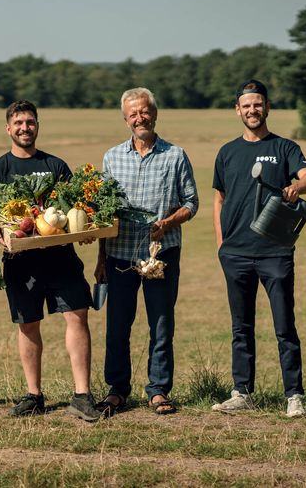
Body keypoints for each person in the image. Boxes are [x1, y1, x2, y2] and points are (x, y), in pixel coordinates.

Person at [0, 100, 102, 422]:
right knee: (28, 324)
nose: (24, 128)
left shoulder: (56, 165)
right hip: (21, 264)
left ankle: (82, 395)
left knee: (77, 316)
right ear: (8, 128)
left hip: (61, 258)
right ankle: (34, 395)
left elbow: (76, 209)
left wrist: (84, 228)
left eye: (30, 122)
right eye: (18, 123)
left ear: (37, 126)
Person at [211, 79, 306, 418]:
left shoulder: (284, 147)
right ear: (237, 110)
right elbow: (219, 198)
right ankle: (242, 392)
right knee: (240, 327)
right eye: (246, 105)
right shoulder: (227, 152)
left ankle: (294, 396)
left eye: (258, 104)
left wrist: (297, 185)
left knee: (284, 325)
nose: (252, 110)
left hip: (275, 253)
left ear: (267, 108)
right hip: (235, 253)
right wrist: (220, 244)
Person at [95, 87, 198, 416]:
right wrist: (100, 260)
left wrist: (168, 222)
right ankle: (117, 389)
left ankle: (158, 390)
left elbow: (191, 203)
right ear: (126, 119)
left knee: (161, 323)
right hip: (120, 253)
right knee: (118, 325)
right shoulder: (112, 157)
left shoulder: (175, 155)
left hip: (161, 252)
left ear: (155, 114)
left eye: (145, 111)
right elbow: (103, 212)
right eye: (133, 114)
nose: (140, 118)